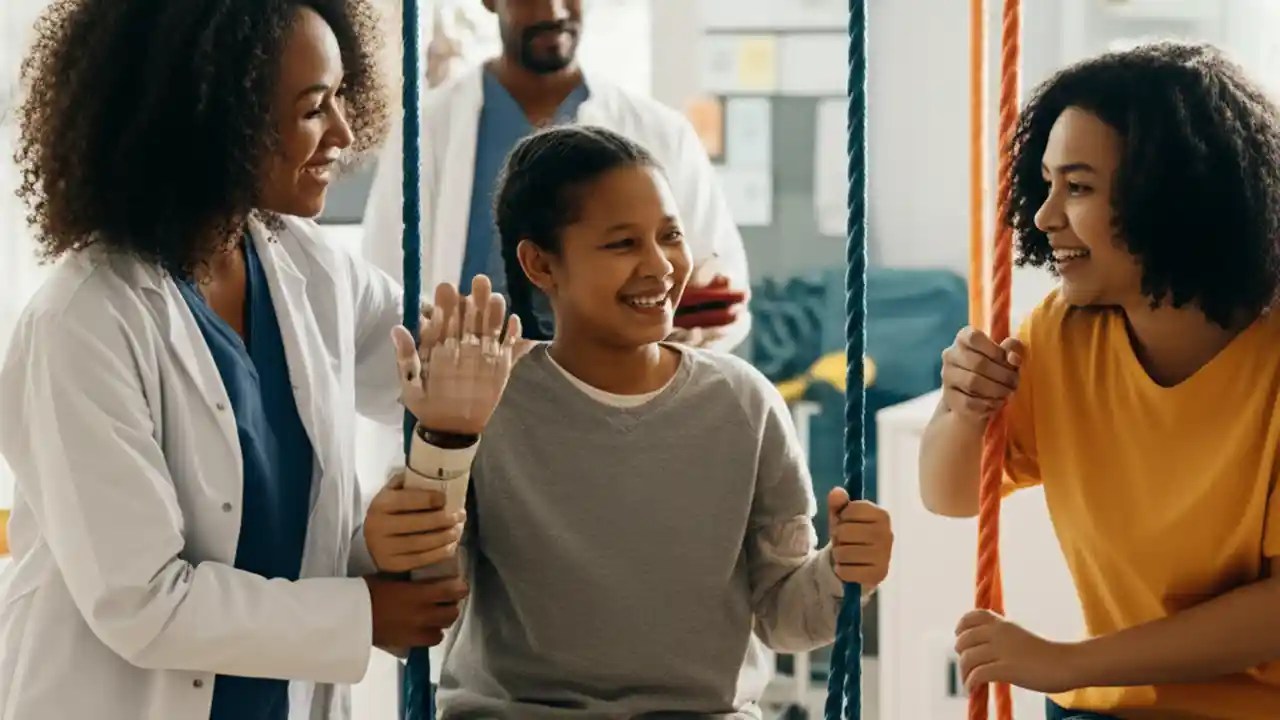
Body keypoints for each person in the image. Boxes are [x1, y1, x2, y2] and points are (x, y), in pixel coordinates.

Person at [0, 1, 481, 717]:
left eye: (342, 98)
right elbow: (143, 602)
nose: (344, 135)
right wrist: (364, 615)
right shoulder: (84, 322)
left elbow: (440, 371)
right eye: (314, 108)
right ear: (211, 119)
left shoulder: (312, 269)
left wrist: (371, 544)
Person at [361, 124, 894, 718]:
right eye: (622, 244)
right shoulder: (491, 402)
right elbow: (426, 605)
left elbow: (786, 615)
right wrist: (445, 442)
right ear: (540, 263)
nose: (660, 266)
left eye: (670, 236)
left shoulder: (744, 404)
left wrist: (844, 571)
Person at [918, 42, 1280, 719]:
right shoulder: (1062, 334)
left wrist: (1067, 662)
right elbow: (952, 496)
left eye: (1077, 187)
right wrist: (959, 410)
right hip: (1105, 707)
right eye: (1047, 183)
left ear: (1171, 197)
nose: (1043, 216)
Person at [361, 0, 752, 352]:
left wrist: (663, 317)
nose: (553, 12)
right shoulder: (428, 129)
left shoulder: (661, 132)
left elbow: (723, 299)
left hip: (617, 402)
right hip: (477, 402)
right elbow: (384, 290)